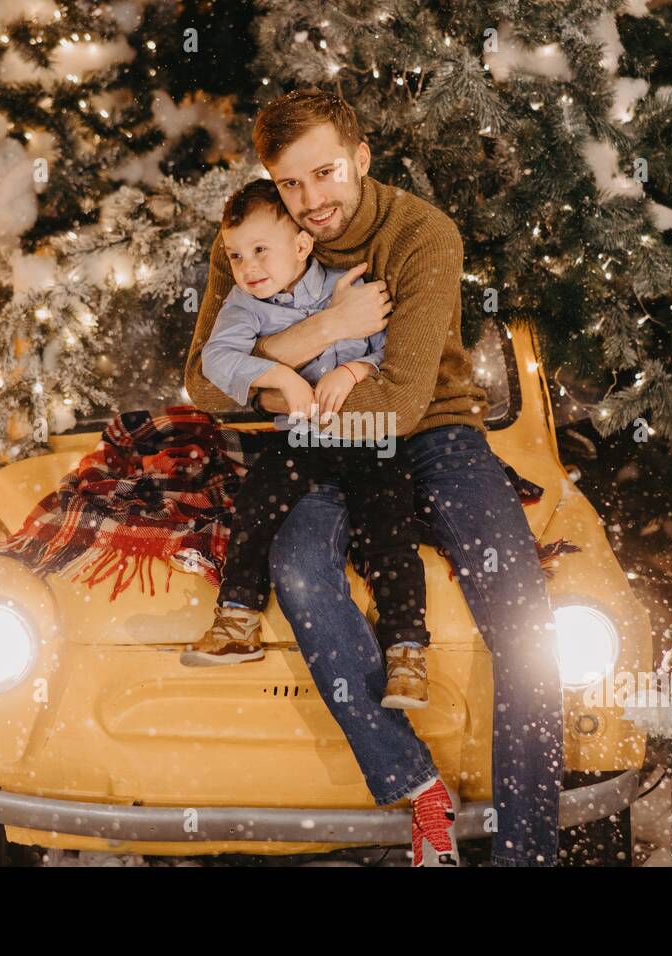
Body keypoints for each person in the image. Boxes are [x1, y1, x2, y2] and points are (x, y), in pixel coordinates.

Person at [184, 88, 563, 867]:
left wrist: (280, 373)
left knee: (523, 617)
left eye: (325, 173)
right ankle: (416, 784)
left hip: (431, 432)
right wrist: (324, 330)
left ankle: (529, 854)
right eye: (291, 183)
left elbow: (399, 397)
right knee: (294, 565)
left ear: (361, 158)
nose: (311, 201)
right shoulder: (261, 234)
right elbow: (204, 382)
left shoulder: (422, 233)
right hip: (310, 439)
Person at [181, 178, 432, 711]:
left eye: (259, 250)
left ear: (302, 244)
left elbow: (395, 351)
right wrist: (282, 378)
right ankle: (238, 616)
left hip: (369, 435)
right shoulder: (243, 307)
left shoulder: (352, 284)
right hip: (304, 437)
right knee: (257, 501)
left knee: (389, 523)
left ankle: (407, 650)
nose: (247, 267)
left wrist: (355, 369)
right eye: (235, 254)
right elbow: (215, 363)